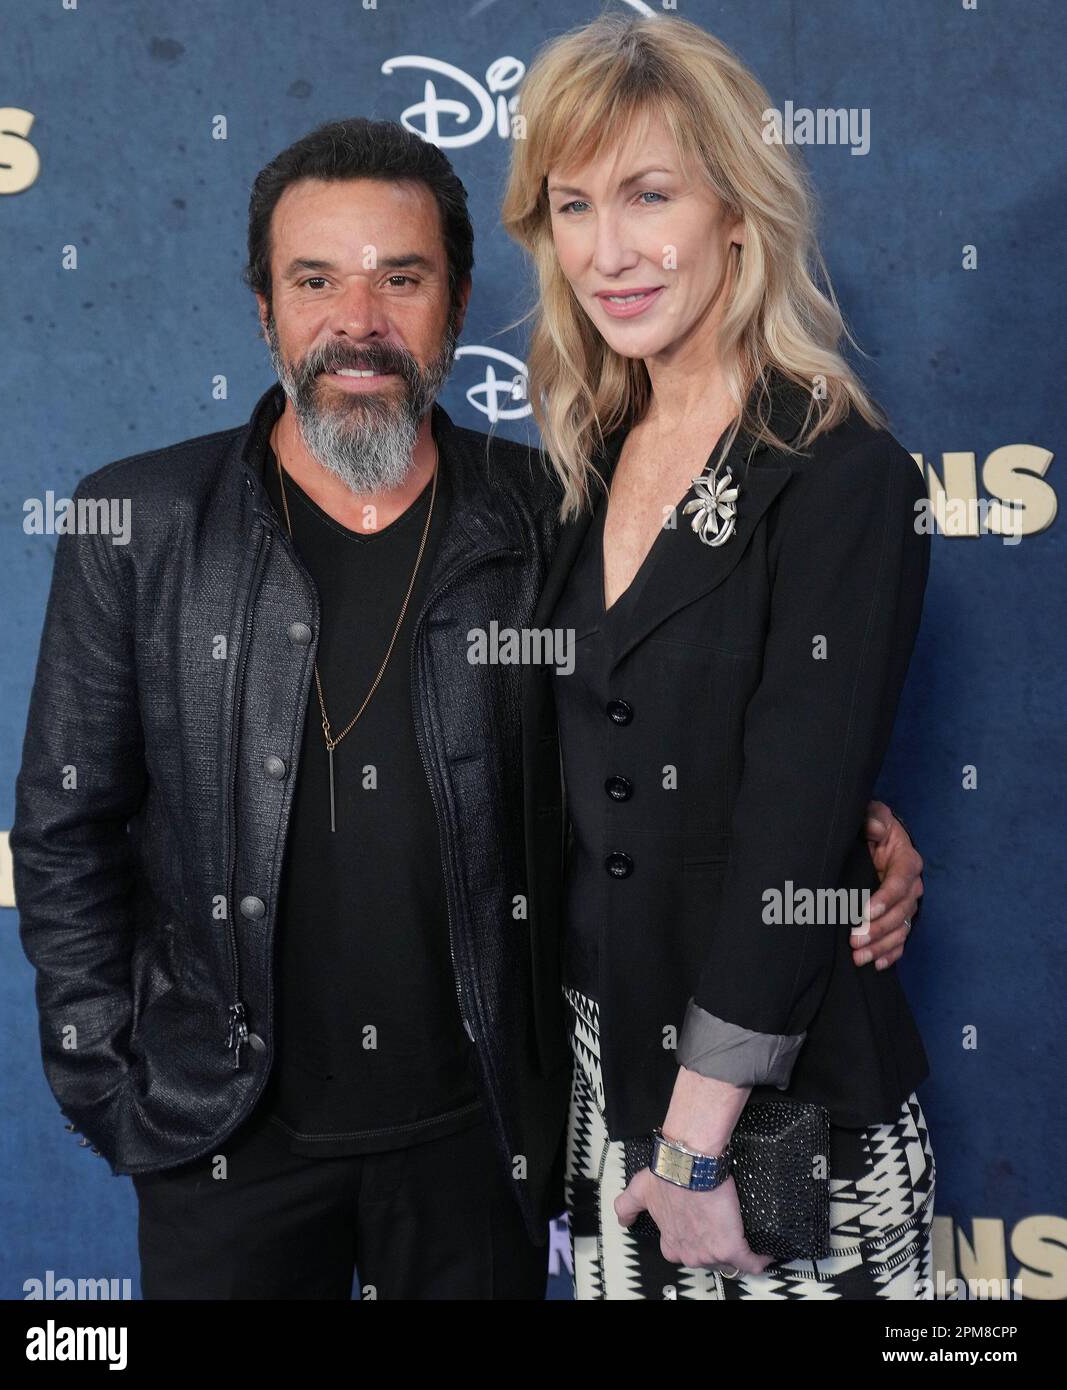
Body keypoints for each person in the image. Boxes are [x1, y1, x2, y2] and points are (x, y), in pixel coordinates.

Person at [11, 116, 921, 1301]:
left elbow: (676, 724)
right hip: (222, 1143)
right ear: (262, 309)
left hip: (487, 1140)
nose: (358, 321)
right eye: (314, 281)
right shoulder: (139, 527)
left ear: (455, 303)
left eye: (401, 278)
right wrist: (113, 1086)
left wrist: (847, 833)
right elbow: (65, 830)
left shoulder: (552, 506)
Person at [504, 13, 935, 1299]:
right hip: (603, 1084)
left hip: (773, 1101)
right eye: (573, 206)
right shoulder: (575, 469)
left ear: (736, 214)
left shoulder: (838, 475)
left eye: (649, 195)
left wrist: (696, 1151)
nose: (608, 250)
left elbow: (794, 823)